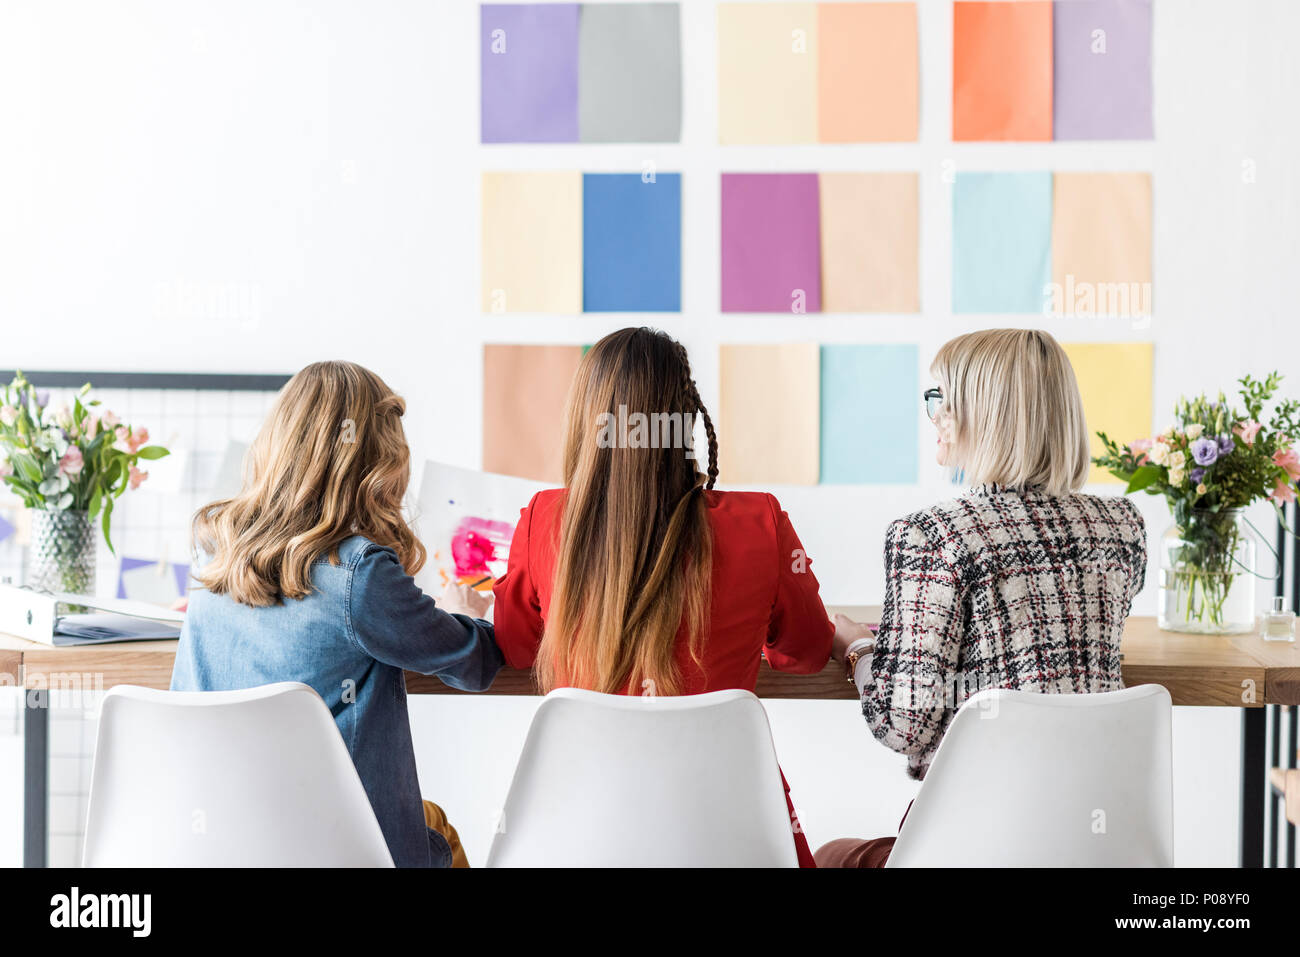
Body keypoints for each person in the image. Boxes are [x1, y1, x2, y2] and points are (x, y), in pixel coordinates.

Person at [492, 327, 833, 866]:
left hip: (582, 839)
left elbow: (515, 648)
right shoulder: (759, 521)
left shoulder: (545, 519)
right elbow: (808, 652)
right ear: (686, 418)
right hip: (733, 839)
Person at [817, 328, 1148, 868]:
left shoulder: (931, 534)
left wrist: (857, 648)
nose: (933, 416)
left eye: (941, 399)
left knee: (830, 856)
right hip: (1097, 846)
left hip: (973, 845)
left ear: (984, 413)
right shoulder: (1122, 528)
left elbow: (906, 724)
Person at [171, 361, 503, 868]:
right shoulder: (360, 574)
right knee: (438, 832)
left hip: (224, 846)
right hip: (345, 851)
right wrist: (468, 613)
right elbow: (475, 663)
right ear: (377, 464)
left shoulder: (214, 555)